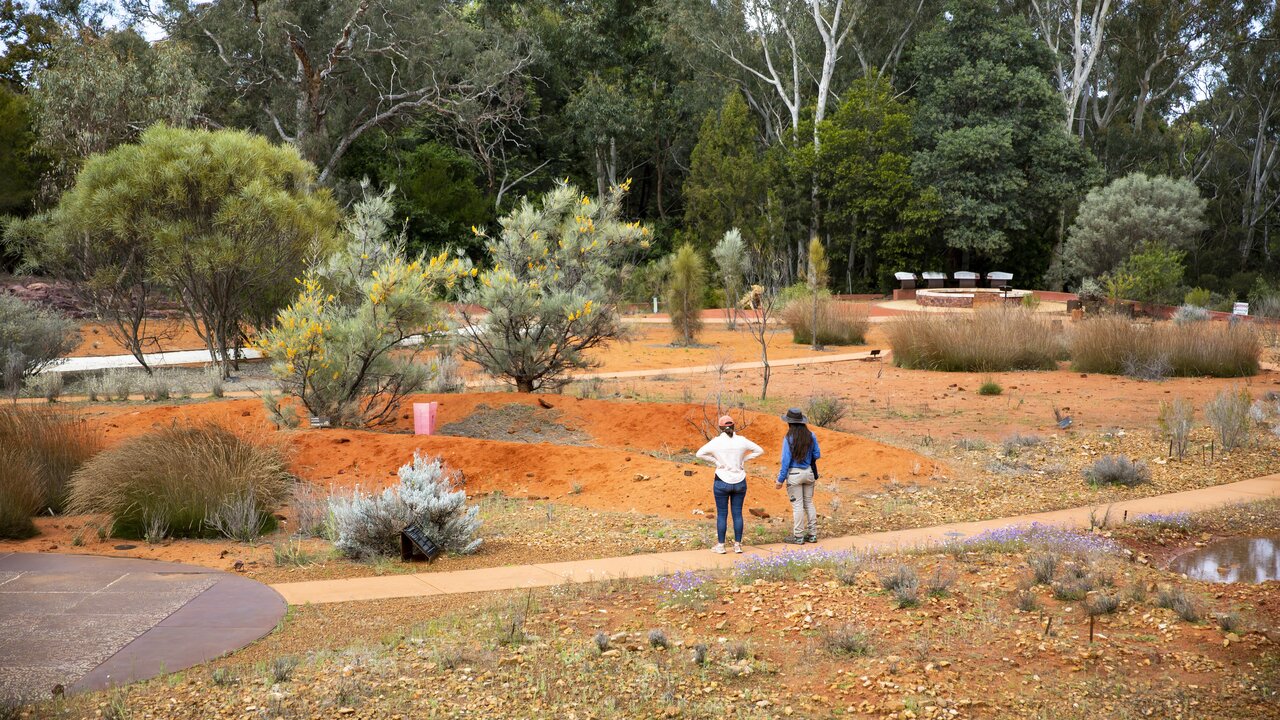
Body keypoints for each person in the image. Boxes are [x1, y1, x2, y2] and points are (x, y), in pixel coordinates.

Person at [695, 415, 763, 554]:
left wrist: (716, 462)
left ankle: (721, 546)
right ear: (733, 426)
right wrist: (744, 459)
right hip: (739, 481)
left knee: (722, 514)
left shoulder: (716, 442)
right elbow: (759, 450)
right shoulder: (742, 441)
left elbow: (699, 454)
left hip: (722, 480)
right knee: (737, 514)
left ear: (720, 428)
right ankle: (737, 545)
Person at [775, 407, 822, 544]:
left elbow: (785, 461)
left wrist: (780, 480)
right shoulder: (811, 435)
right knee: (809, 503)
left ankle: (799, 536)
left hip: (794, 474)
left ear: (789, 422)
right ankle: (812, 534)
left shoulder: (789, 438)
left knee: (797, 506)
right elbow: (817, 454)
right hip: (809, 473)